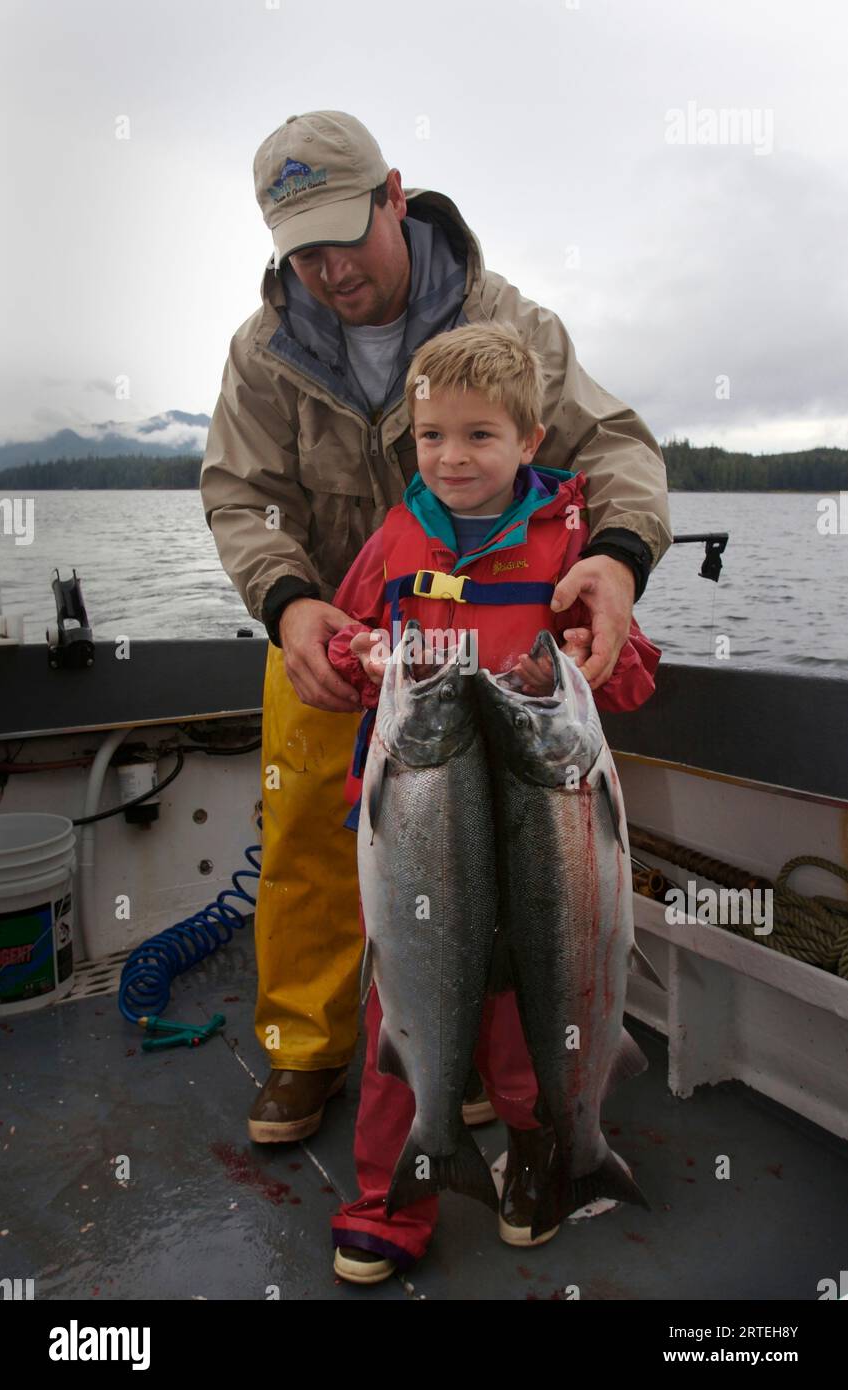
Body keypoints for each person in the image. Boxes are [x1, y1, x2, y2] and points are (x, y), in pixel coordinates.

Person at [200, 110, 671, 1144]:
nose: (329, 269)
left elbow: (620, 448)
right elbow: (241, 494)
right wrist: (287, 604)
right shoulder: (263, 352)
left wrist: (618, 557)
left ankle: (445, 1041)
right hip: (334, 632)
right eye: (302, 249)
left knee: (487, 867)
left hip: (496, 648)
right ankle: (303, 1049)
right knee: (310, 849)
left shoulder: (512, 323)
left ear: (394, 194)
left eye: (343, 233)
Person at [324, 323, 660, 1283]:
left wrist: (606, 654)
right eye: (433, 437)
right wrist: (362, 657)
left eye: (479, 435)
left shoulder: (572, 542)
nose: (452, 457)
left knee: (524, 1019)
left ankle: (542, 1152)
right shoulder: (393, 534)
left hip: (534, 837)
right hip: (410, 829)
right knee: (402, 1008)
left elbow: (625, 679)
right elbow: (350, 640)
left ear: (531, 436)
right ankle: (393, 1195)